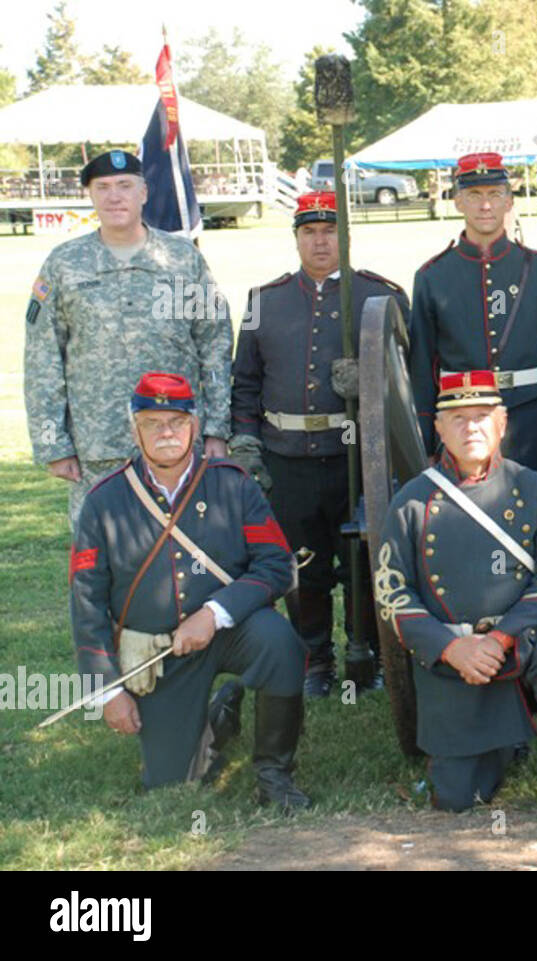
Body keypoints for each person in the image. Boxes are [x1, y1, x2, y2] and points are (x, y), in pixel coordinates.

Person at [70, 372, 309, 808]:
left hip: (231, 631)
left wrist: (214, 612)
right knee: (171, 785)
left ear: (195, 427)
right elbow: (86, 605)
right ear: (134, 428)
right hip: (160, 653)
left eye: (177, 422)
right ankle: (219, 718)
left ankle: (274, 773)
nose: (166, 433)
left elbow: (277, 564)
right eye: (153, 423)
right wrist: (107, 691)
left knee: (280, 643)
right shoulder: (104, 503)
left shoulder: (233, 484)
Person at [373, 370, 537, 819]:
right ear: (438, 427)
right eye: (457, 418)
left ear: (502, 423)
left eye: (481, 417)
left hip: (524, 639)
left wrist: (500, 637)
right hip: (454, 656)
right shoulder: (411, 503)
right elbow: (392, 595)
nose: (470, 428)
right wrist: (451, 648)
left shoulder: (532, 488)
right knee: (458, 799)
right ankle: (502, 742)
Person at [231, 191, 411, 697]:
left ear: (346, 236)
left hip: (357, 455)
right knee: (301, 564)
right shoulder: (264, 302)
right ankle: (314, 659)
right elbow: (244, 384)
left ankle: (368, 653)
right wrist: (246, 442)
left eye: (330, 231)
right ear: (296, 238)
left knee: (362, 562)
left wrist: (370, 382)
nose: (320, 241)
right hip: (287, 458)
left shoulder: (381, 297)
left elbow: (408, 384)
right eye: (309, 232)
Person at [24, 150, 232, 530]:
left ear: (145, 193)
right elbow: (43, 359)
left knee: (183, 552)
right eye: (102, 187)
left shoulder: (182, 259)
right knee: (102, 557)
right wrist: (54, 445)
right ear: (90, 195)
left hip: (177, 439)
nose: (114, 196)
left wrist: (217, 427)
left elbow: (214, 342)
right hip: (98, 445)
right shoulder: (65, 263)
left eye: (124, 186)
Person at [408, 152, 537, 474]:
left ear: (509, 201)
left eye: (495, 194)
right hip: (462, 427)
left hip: (529, 422)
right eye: (474, 195)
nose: (485, 206)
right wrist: (428, 440)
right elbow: (423, 368)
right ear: (458, 202)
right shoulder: (432, 276)